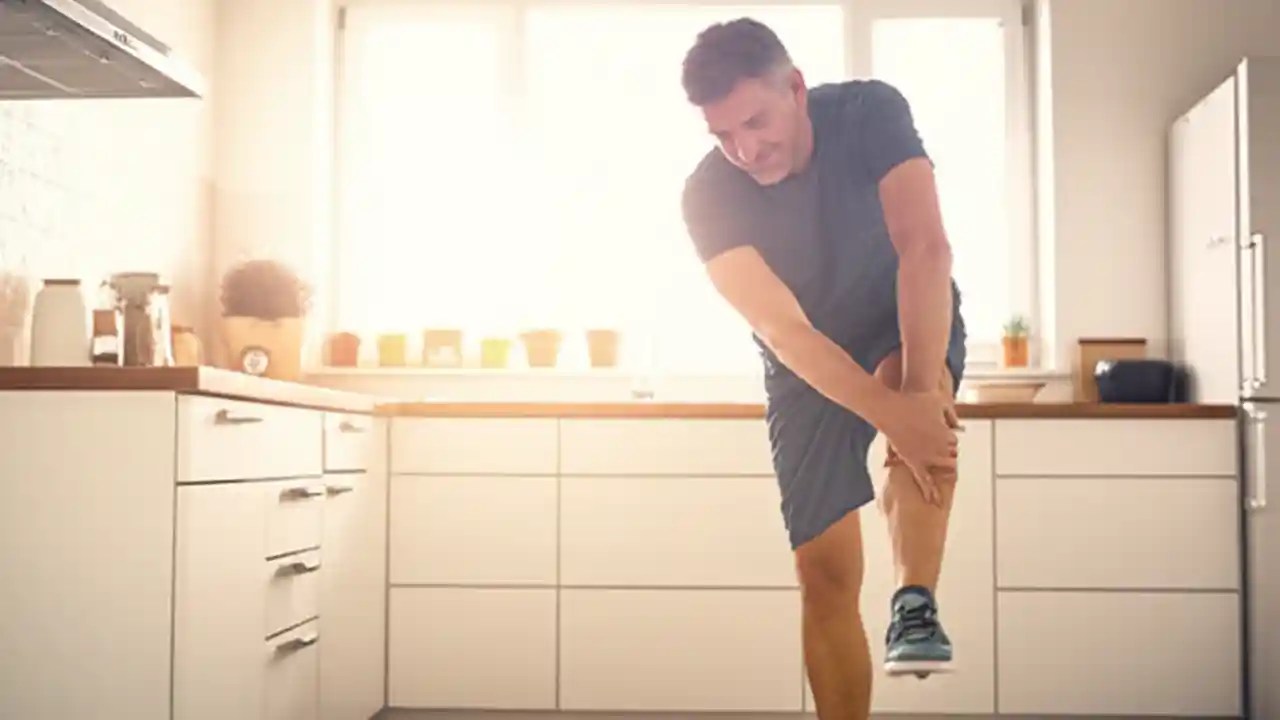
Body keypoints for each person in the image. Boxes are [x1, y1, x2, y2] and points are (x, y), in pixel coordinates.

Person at [679, 17, 967, 720]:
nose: (745, 150)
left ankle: (915, 602)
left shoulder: (870, 112)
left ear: (796, 89)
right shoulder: (708, 195)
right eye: (723, 135)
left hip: (898, 310)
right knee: (823, 572)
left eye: (756, 121)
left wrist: (915, 403)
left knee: (915, 389)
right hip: (804, 357)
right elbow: (784, 330)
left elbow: (925, 248)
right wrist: (890, 413)